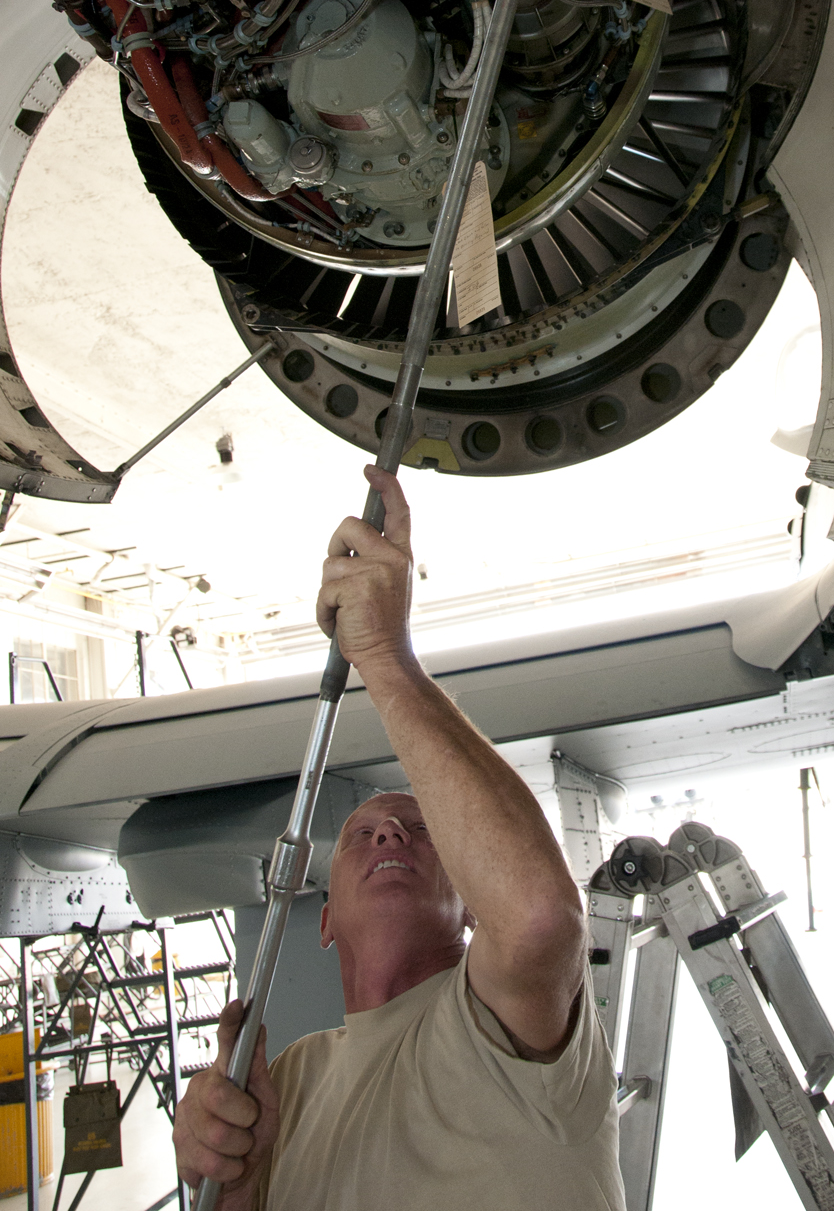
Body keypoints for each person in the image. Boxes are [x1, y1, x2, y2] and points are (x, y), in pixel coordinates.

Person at [174, 464, 623, 1209]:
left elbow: (542, 917)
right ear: (323, 921)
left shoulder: (500, 1023)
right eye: (360, 835)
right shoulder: (287, 1078)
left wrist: (385, 658)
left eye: (420, 830)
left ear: (471, 906)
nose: (388, 829)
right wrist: (238, 1176)